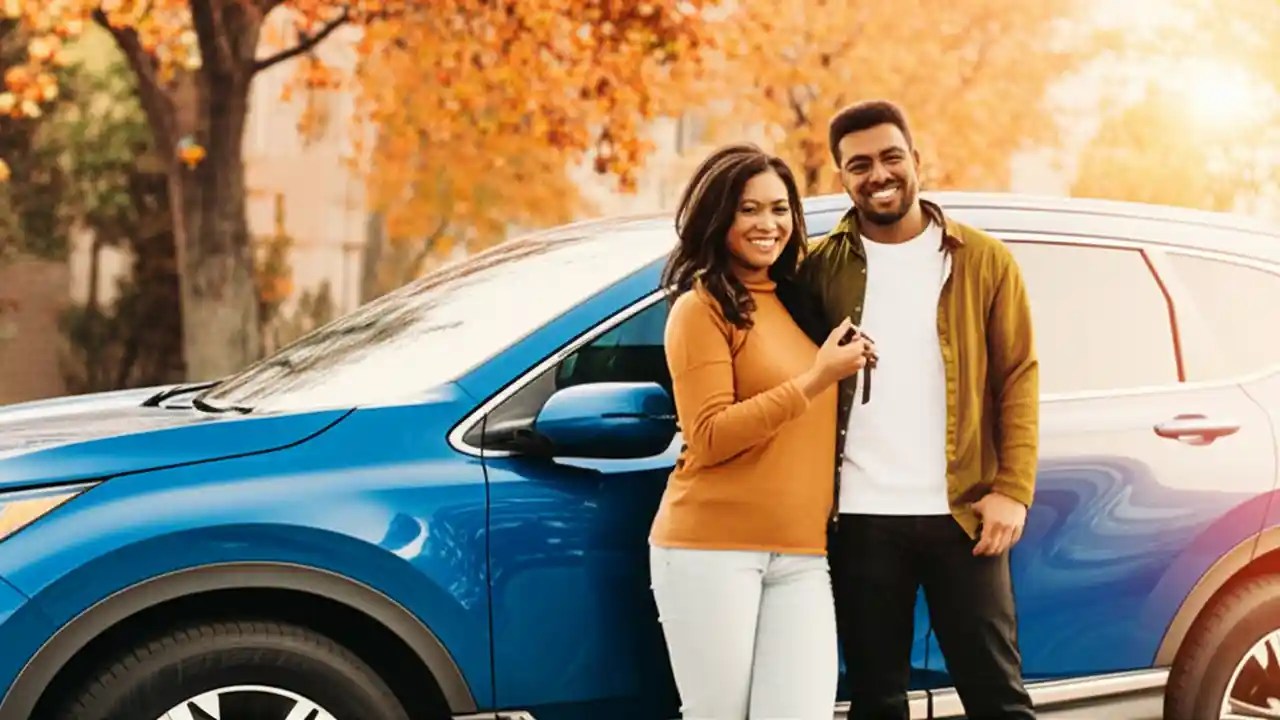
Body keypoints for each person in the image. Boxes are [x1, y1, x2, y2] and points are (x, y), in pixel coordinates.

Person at [799, 100, 1040, 720]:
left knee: (997, 697)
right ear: (842, 177)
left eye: (890, 157)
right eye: (859, 165)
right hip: (859, 521)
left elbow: (1018, 376)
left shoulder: (983, 260)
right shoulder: (820, 269)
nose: (877, 174)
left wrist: (1012, 489)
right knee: (876, 702)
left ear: (915, 160)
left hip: (963, 517)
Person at [649, 143, 872, 720]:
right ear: (718, 216)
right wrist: (817, 377)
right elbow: (710, 434)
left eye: (779, 209)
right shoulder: (700, 309)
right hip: (712, 549)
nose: (767, 224)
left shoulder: (797, 302)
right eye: (749, 209)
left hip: (801, 553)